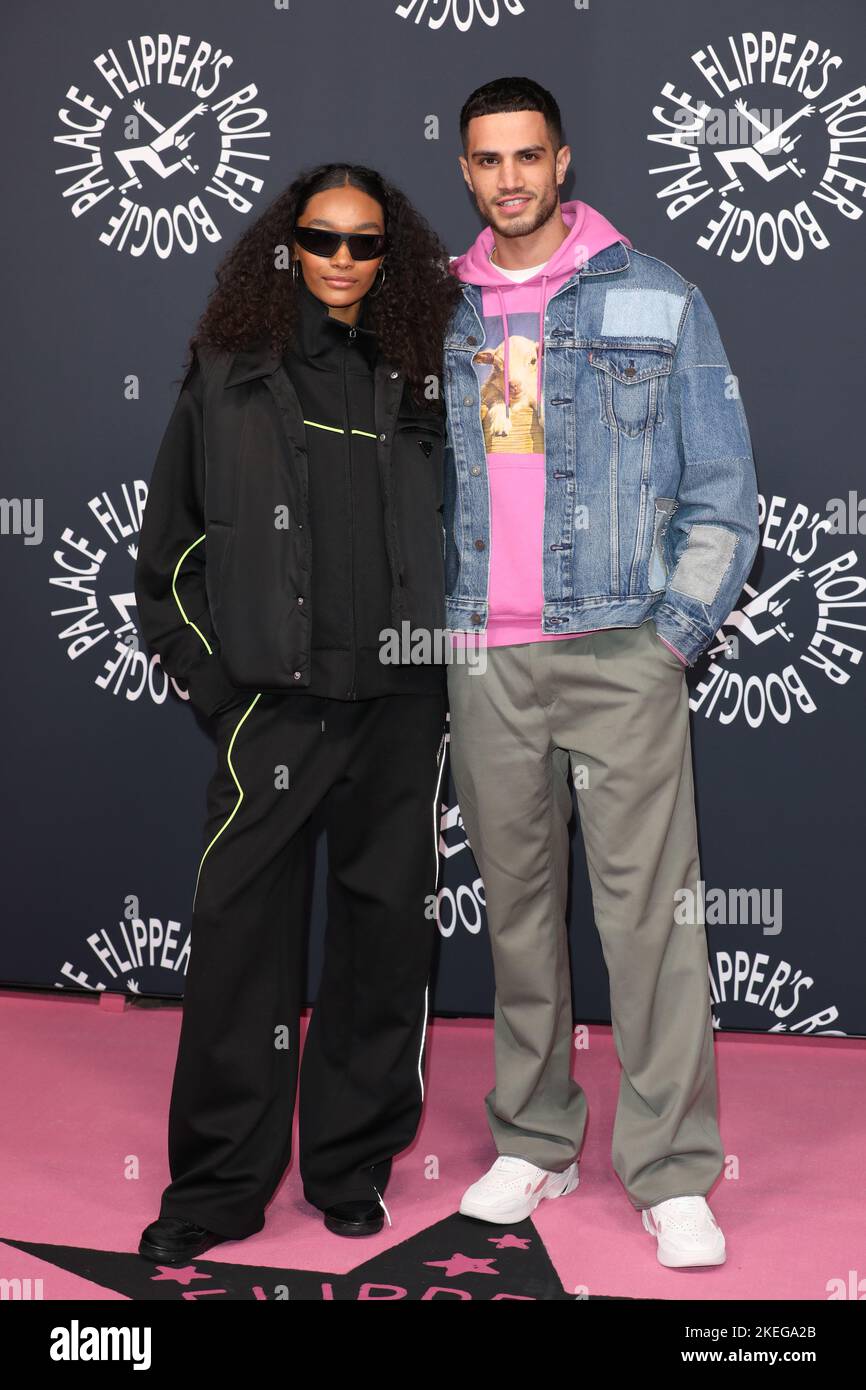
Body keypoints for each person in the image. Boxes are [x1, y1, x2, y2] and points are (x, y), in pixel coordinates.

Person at [442, 77, 760, 1269]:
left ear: (562, 161)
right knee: (518, 921)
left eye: (528, 156)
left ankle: (673, 1171)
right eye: (488, 160)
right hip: (486, 658)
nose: (510, 178)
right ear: (465, 171)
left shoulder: (656, 295)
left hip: (621, 649)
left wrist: (669, 639)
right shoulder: (442, 308)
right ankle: (532, 1137)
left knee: (653, 924)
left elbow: (724, 492)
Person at [134, 162, 462, 1265]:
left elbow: (473, 527)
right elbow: (169, 550)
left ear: (391, 258)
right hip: (272, 710)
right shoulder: (228, 372)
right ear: (286, 246)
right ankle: (220, 1186)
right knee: (241, 950)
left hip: (402, 705)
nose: (339, 260)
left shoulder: (426, 380)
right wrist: (215, 682)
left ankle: (350, 1165)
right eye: (319, 239)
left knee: (383, 943)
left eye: (364, 243)